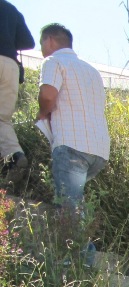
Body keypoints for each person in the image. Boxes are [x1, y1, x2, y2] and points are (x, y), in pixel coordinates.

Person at [36, 23, 110, 216]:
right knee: (75, 203)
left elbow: (48, 95)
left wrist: (43, 113)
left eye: (41, 43)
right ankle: (83, 243)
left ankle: (81, 247)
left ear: (49, 40)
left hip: (72, 146)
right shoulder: (92, 71)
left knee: (68, 210)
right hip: (99, 150)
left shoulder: (53, 61)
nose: (41, 49)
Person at [0, 1, 33, 184]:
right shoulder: (11, 8)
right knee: (2, 119)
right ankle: (14, 156)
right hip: (10, 66)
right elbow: (28, 42)